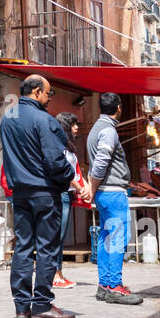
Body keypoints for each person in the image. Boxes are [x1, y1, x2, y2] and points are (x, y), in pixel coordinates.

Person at [0, 74, 81, 318]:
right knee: (46, 248)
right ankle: (42, 305)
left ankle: (22, 307)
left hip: (21, 193)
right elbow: (56, 162)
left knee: (23, 247)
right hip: (45, 193)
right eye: (48, 93)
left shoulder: (8, 118)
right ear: (36, 92)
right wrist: (72, 178)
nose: (49, 98)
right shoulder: (44, 120)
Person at [87, 93, 144, 306]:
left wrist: (93, 187)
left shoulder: (96, 129)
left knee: (106, 238)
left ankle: (104, 285)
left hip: (105, 192)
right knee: (118, 238)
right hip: (111, 192)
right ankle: (113, 286)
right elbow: (101, 162)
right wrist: (92, 186)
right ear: (119, 108)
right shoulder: (108, 131)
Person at [54, 112, 91, 290]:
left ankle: (58, 273)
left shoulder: (68, 147)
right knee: (57, 236)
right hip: (60, 194)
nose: (76, 127)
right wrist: (79, 187)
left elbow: (74, 172)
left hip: (67, 195)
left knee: (60, 237)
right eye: (73, 124)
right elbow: (63, 172)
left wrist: (83, 188)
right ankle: (54, 275)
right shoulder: (58, 147)